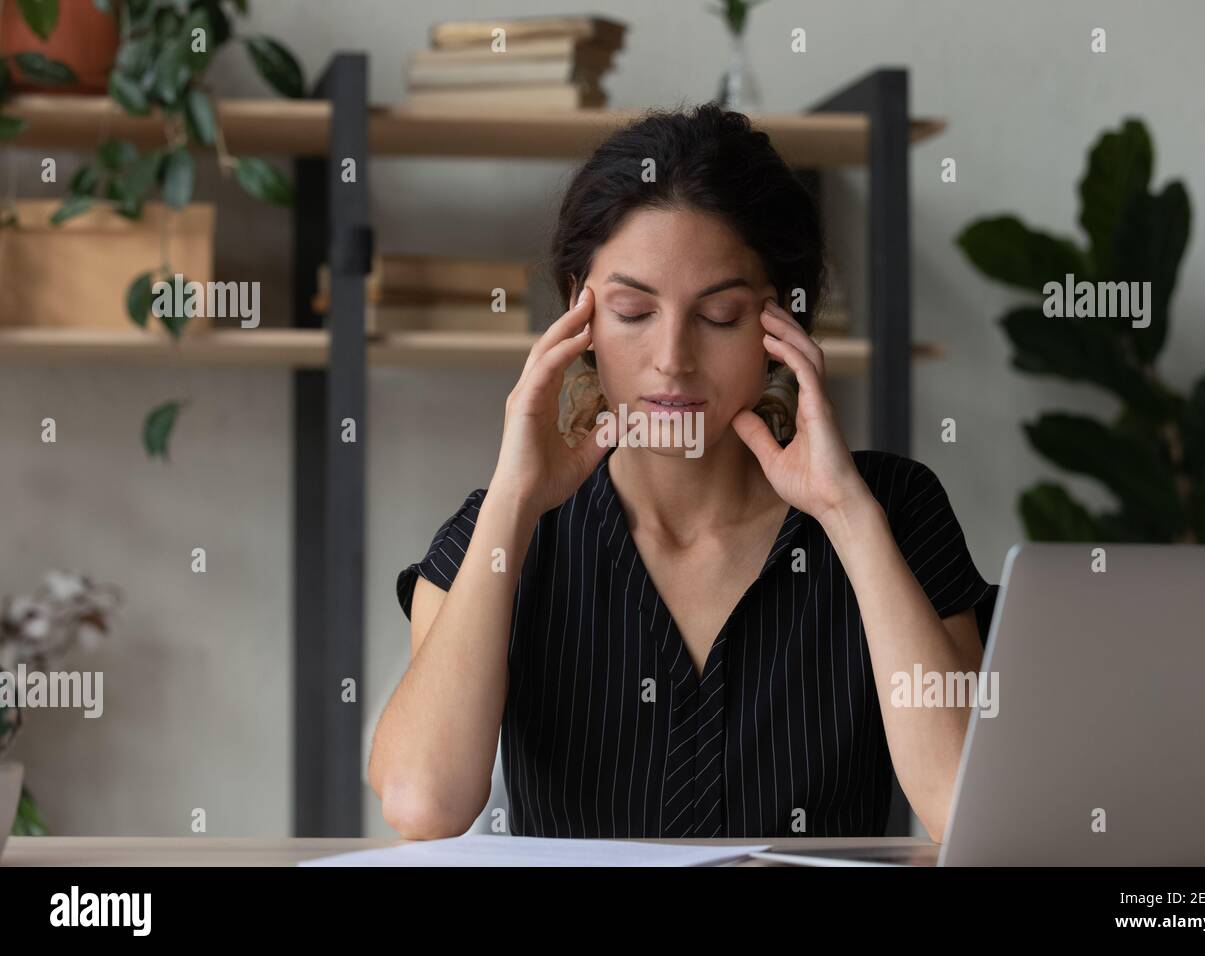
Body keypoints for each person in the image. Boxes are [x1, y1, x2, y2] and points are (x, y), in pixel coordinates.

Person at [369, 103, 995, 841]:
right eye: (633, 312)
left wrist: (846, 516)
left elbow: (967, 810)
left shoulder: (891, 507)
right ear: (581, 320)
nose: (673, 360)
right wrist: (512, 498)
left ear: (782, 324)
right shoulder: (501, 530)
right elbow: (421, 804)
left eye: (720, 316)